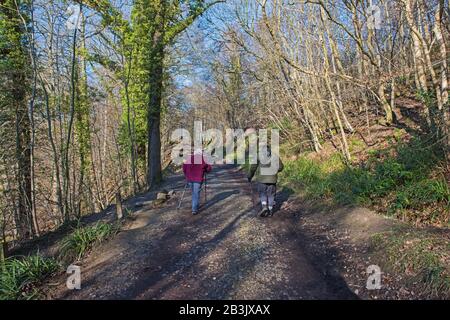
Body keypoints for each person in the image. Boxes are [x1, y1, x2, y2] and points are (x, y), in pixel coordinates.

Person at [247, 146, 284, 217]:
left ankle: (264, 206)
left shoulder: (258, 155)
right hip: (272, 179)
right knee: (271, 194)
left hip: (262, 179)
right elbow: (280, 167)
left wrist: (249, 176)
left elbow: (253, 167)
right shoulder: (275, 156)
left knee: (262, 193)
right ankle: (270, 210)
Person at [182, 149, 212, 215]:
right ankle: (194, 209)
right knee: (196, 193)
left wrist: (186, 175)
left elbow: (184, 168)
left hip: (189, 178)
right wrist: (206, 170)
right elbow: (209, 168)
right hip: (198, 178)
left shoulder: (189, 158)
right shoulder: (203, 159)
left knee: (194, 193)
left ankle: (195, 205)